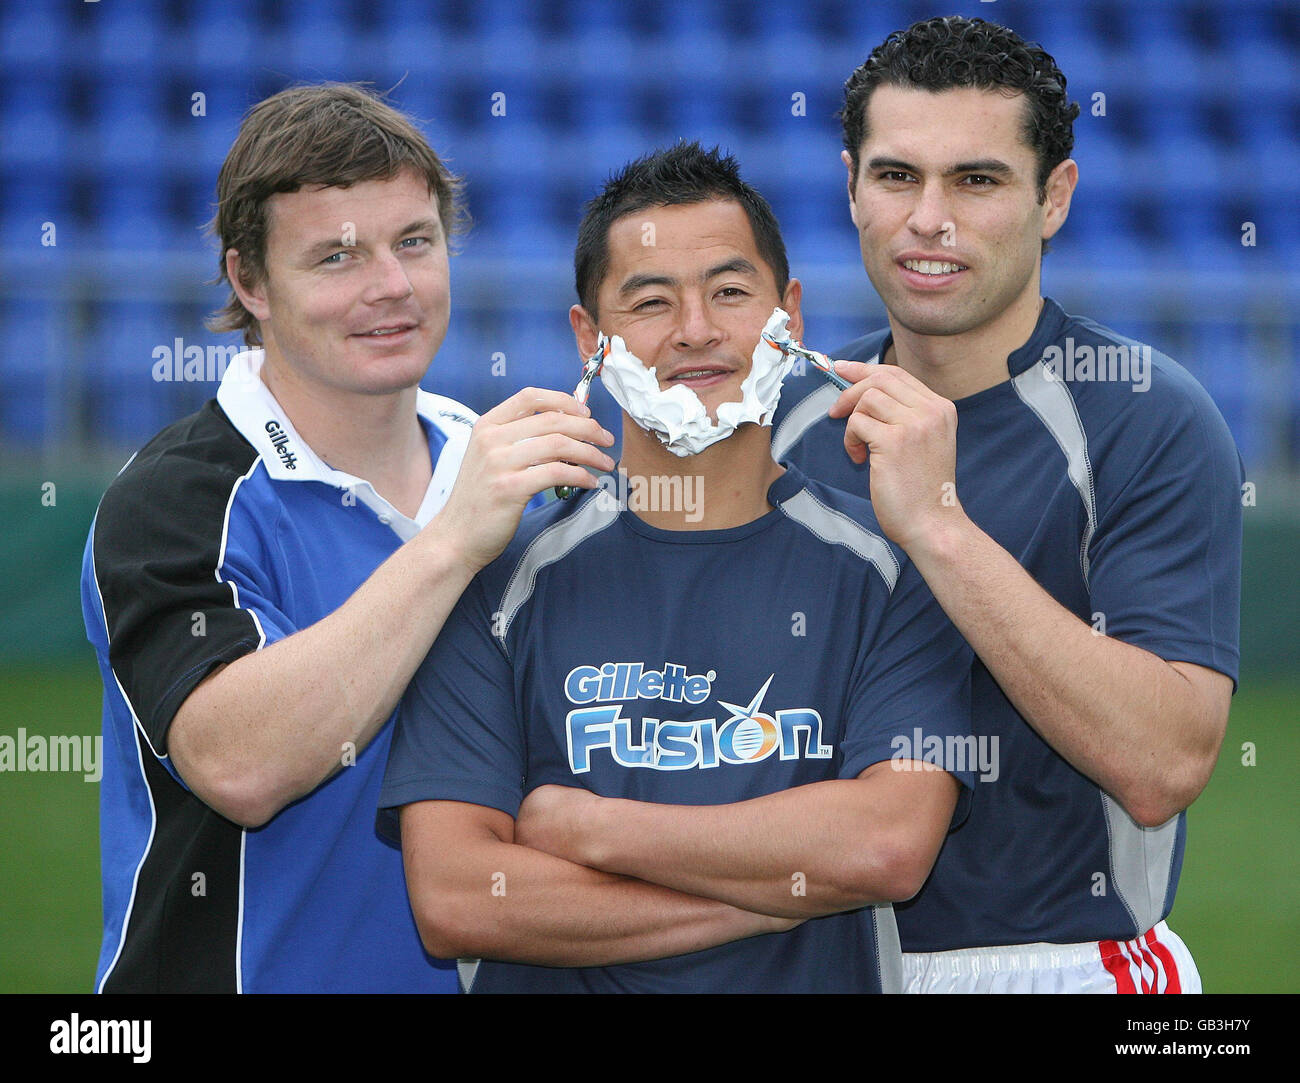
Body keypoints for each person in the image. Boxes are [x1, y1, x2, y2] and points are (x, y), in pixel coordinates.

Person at [379, 142, 975, 994]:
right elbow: (461, 897)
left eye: (730, 292)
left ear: (788, 317)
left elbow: (886, 845)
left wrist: (590, 828)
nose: (696, 329)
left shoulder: (894, 572)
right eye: (651, 300)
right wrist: (781, 892)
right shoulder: (492, 580)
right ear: (590, 337)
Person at [80, 83, 615, 993]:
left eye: (415, 240)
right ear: (249, 280)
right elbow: (244, 764)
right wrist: (450, 543)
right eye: (335, 256)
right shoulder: (177, 498)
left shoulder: (517, 472)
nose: (392, 287)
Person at [770, 15, 1242, 993]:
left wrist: (937, 524)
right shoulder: (781, 425)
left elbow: (1164, 764)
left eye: (975, 180)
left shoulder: (1142, 415)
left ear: (1053, 198)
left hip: (1065, 965)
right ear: (850, 184)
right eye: (896, 176)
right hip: (810, 960)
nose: (928, 218)